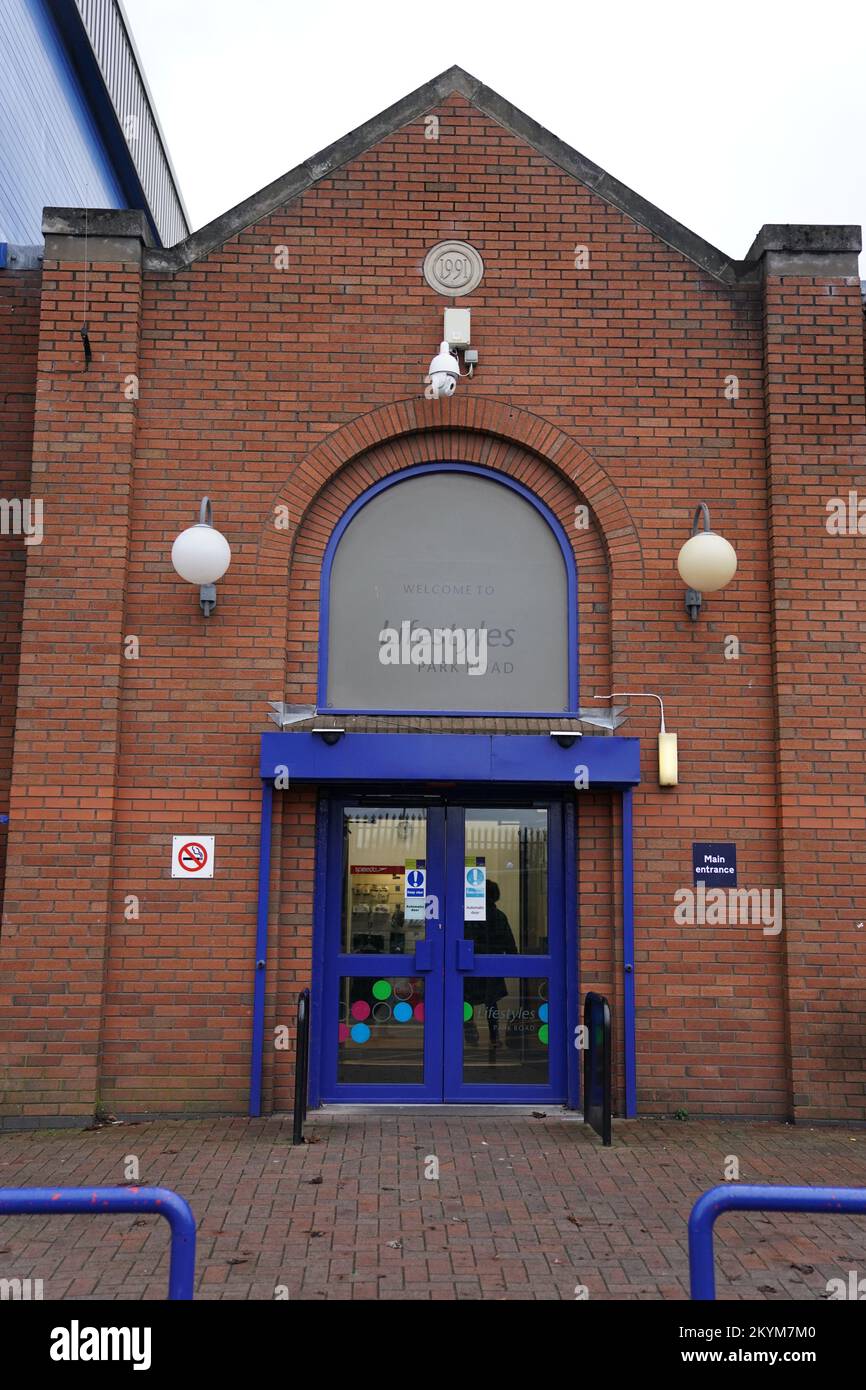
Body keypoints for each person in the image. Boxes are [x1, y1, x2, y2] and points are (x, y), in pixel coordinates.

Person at [463, 880, 518, 1045]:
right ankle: (494, 1037)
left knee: (466, 1000)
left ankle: (470, 1032)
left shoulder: (470, 915)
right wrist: (514, 961)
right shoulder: (499, 916)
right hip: (492, 964)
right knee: (491, 1002)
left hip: (470, 963)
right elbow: (509, 942)